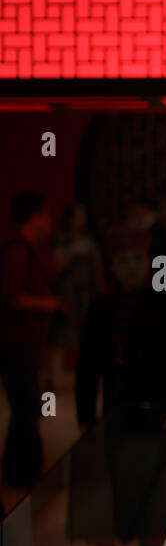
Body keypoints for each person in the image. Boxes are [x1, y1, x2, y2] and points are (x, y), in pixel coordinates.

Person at [76, 226, 166, 546]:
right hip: (121, 415)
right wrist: (85, 415)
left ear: (148, 261)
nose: (131, 266)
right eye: (123, 260)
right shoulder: (101, 308)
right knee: (126, 491)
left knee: (164, 500)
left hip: (163, 415)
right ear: (112, 266)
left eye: (137, 259)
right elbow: (88, 366)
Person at [1, 191, 62, 490]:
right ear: (34, 216)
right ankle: (22, 474)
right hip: (16, 343)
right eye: (45, 213)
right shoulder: (17, 251)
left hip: (23, 343)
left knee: (26, 408)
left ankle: (22, 472)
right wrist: (45, 304)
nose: (49, 220)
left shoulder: (25, 250)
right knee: (25, 409)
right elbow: (10, 296)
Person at [51, 201, 104, 369]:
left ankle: (88, 373)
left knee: (89, 332)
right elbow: (57, 264)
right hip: (67, 290)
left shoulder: (89, 237)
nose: (82, 219)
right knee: (62, 333)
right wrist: (73, 250)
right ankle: (54, 377)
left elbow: (97, 263)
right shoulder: (61, 237)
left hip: (87, 289)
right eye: (78, 215)